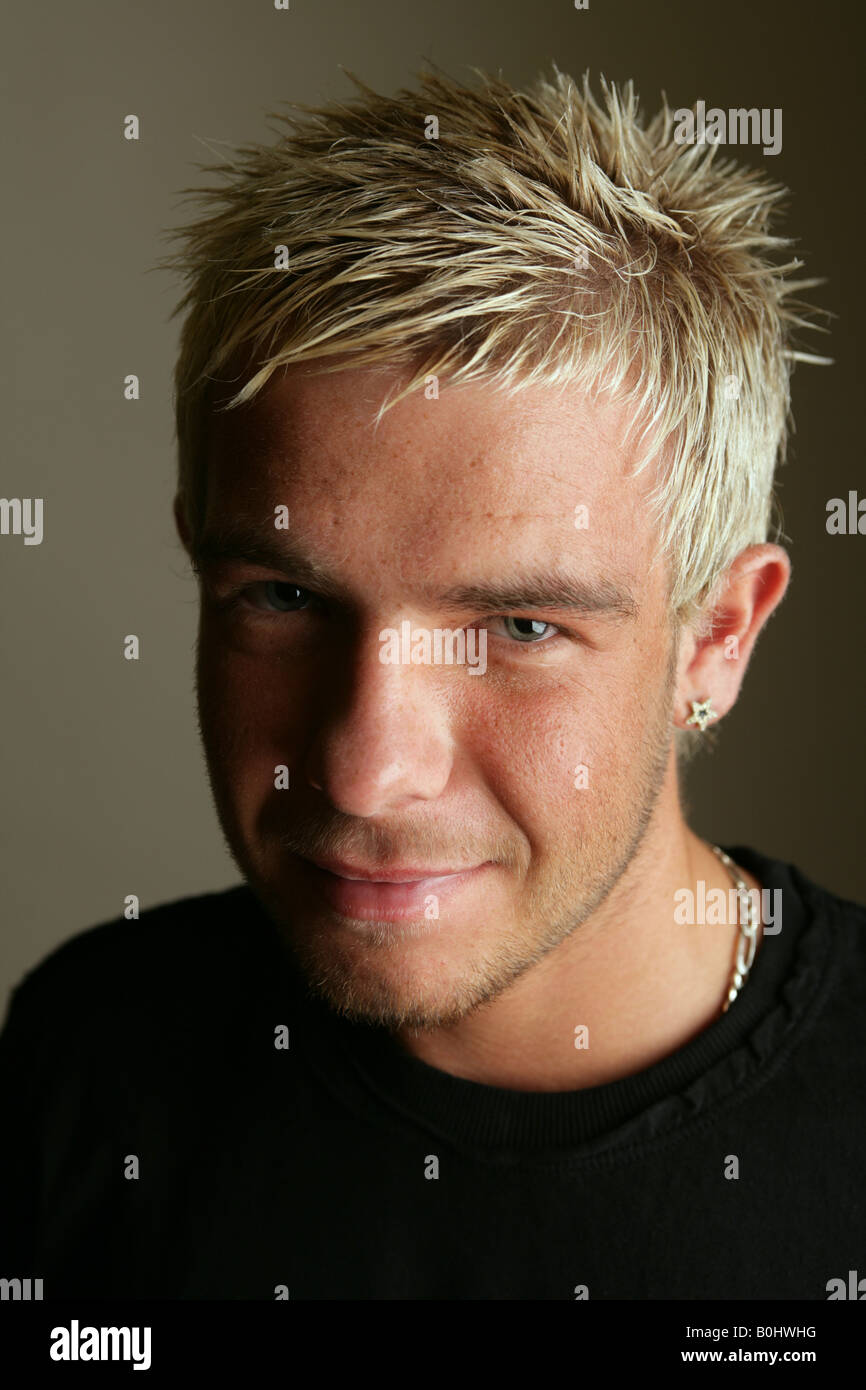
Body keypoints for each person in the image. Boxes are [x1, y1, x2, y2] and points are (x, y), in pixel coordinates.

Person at [1, 65, 863, 1301]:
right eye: (283, 599)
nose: (364, 770)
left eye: (518, 625)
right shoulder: (92, 1053)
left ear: (715, 638)